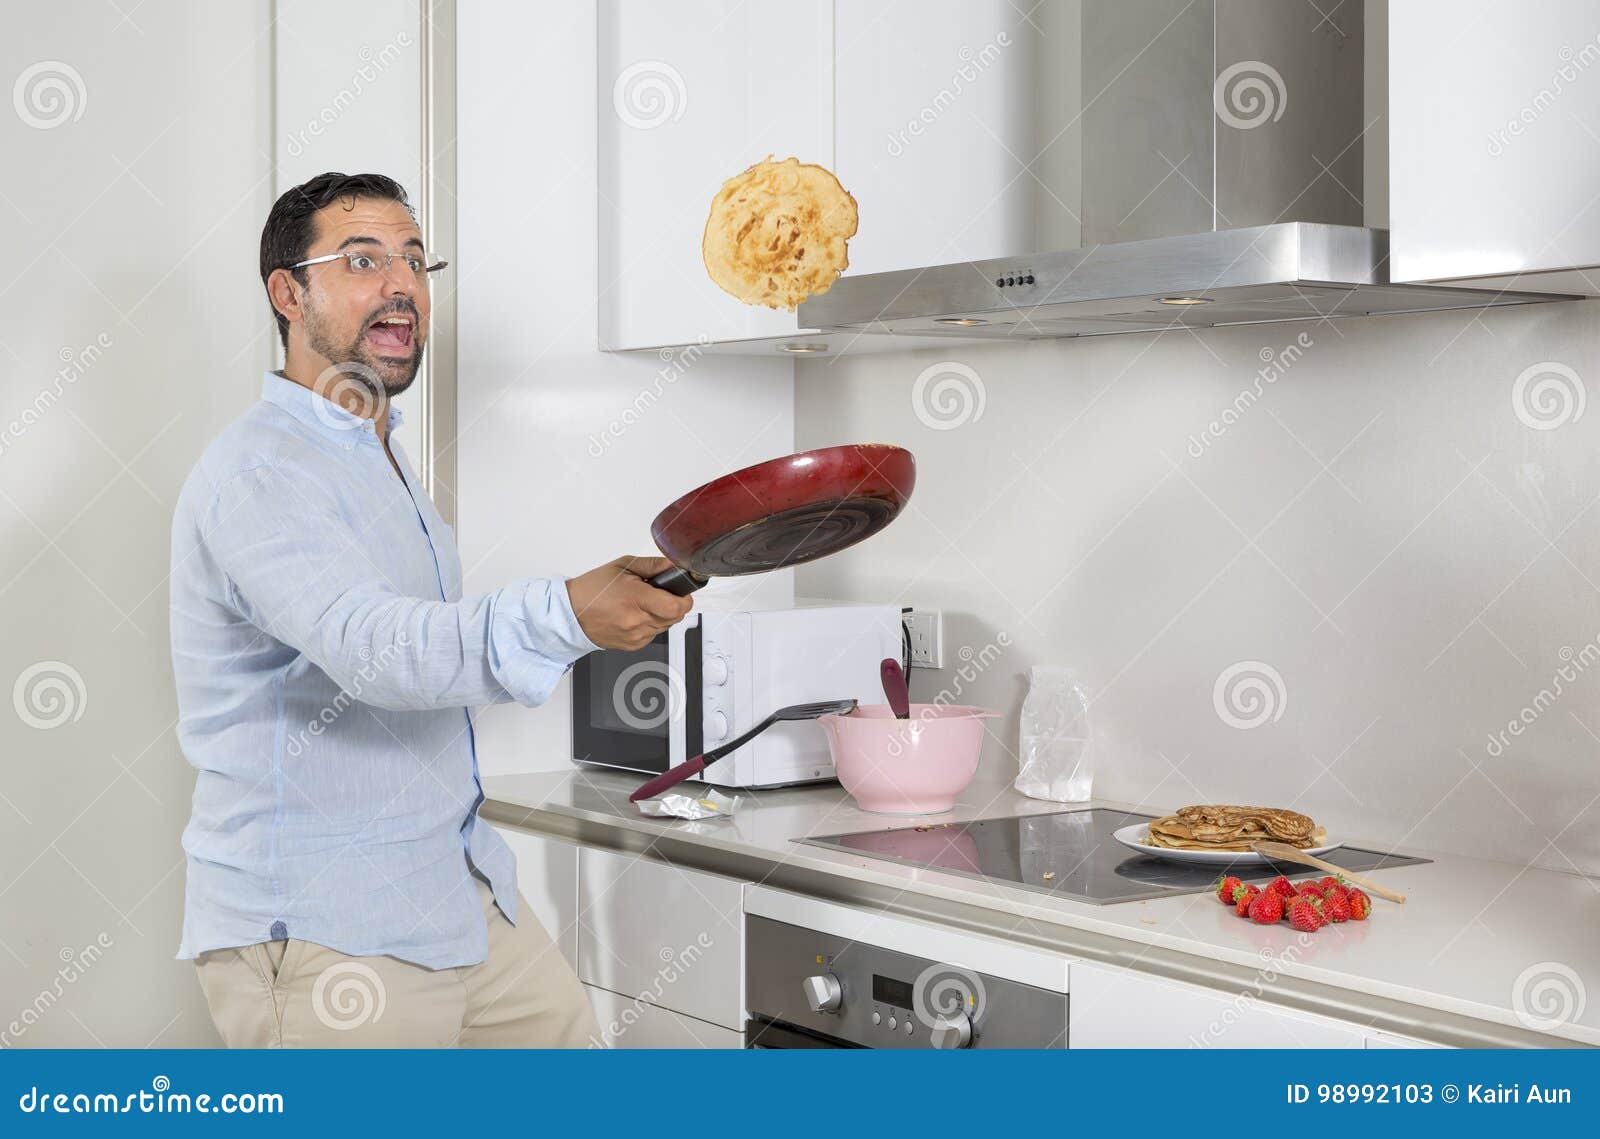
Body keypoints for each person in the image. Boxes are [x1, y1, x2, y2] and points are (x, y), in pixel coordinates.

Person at [170, 171, 692, 1046]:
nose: (402, 285)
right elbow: (374, 650)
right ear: (288, 294)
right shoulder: (261, 471)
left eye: (415, 260)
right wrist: (566, 614)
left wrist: (588, 608)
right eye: (363, 260)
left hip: (457, 889)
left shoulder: (376, 452)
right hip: (328, 926)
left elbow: (421, 647)